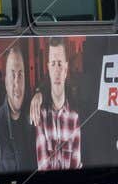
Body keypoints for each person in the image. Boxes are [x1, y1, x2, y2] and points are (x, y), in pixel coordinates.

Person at [30, 38, 81, 170]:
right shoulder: (40, 114)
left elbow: (76, 166)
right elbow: (43, 167)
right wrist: (38, 92)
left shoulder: (75, 117)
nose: (57, 70)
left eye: (60, 64)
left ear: (66, 67)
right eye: (53, 63)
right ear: (48, 68)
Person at [0, 42, 34, 174]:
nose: (17, 82)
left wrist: (41, 93)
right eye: (12, 75)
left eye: (20, 74)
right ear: (5, 82)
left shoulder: (34, 114)